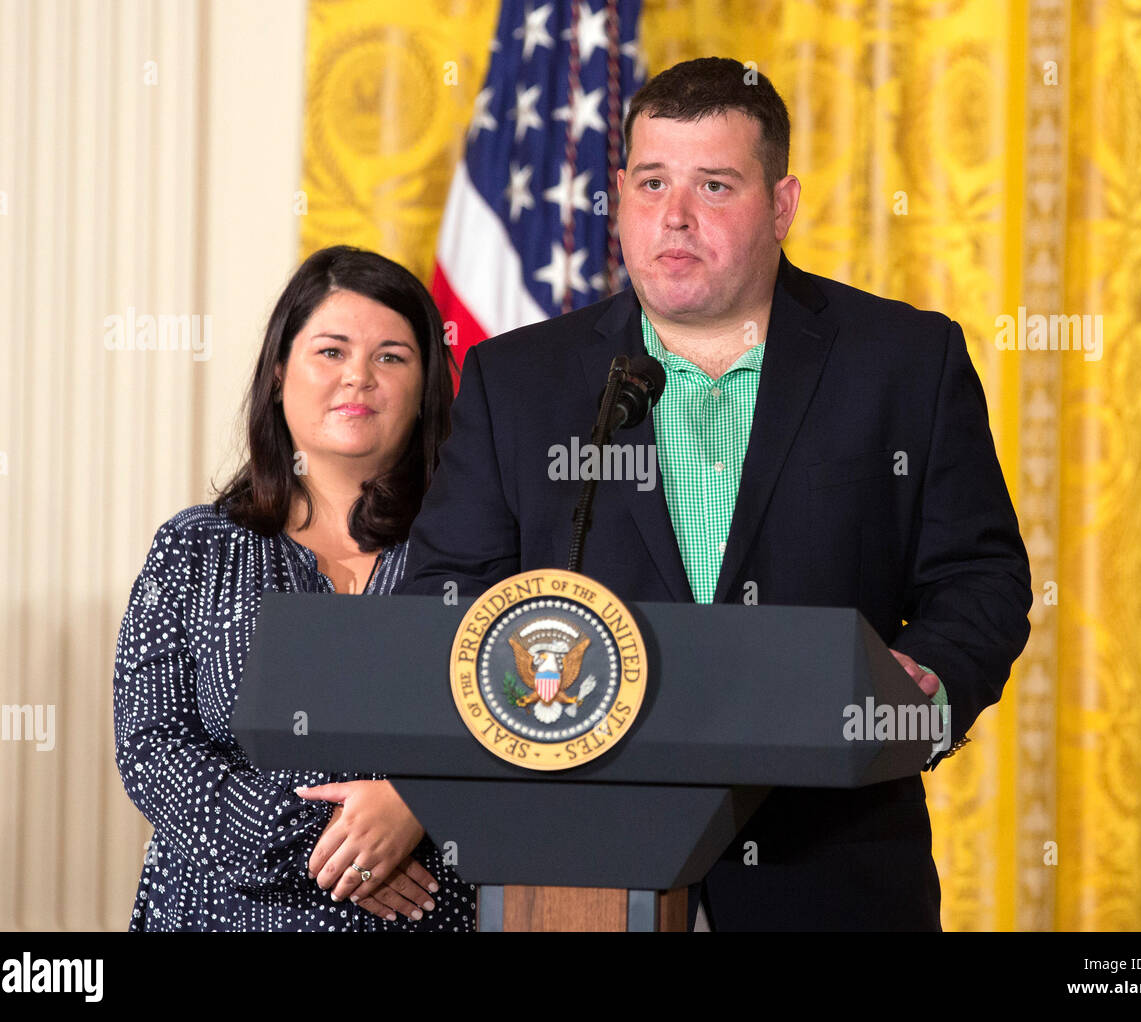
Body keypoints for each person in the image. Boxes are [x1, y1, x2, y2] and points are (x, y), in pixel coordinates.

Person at [399, 58, 1032, 930]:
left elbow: (981, 577)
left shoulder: (903, 363)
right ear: (618, 193)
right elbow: (449, 597)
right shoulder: (520, 380)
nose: (676, 217)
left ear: (782, 205)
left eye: (716, 185)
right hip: (578, 866)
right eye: (653, 182)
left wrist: (924, 688)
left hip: (830, 872)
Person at [113, 245, 475, 931]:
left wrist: (416, 803)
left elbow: (531, 725)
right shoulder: (194, 548)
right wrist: (335, 845)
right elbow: (152, 747)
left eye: (391, 356)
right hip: (219, 911)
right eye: (331, 352)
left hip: (426, 908)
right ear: (279, 371)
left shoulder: (478, 553)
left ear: (426, 386)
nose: (359, 378)